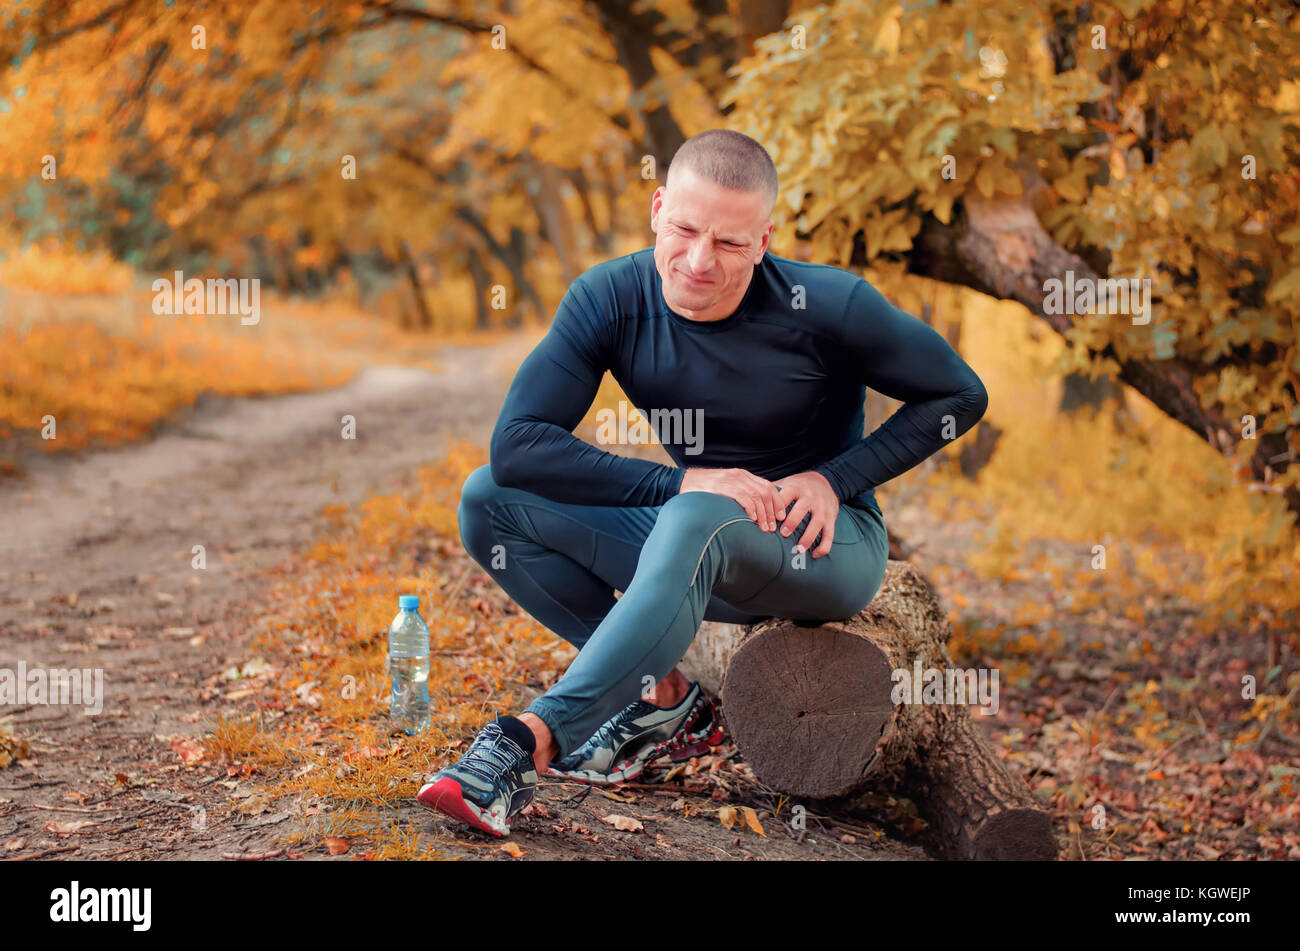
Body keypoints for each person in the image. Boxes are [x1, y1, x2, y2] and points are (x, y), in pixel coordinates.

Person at [417, 129, 989, 836]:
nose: (697, 260)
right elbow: (517, 447)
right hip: (686, 540)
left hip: (818, 549)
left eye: (728, 243)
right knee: (487, 500)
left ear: (764, 240)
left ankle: (524, 742)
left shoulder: (830, 305)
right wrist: (681, 480)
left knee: (695, 516)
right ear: (658, 207)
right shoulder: (609, 297)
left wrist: (835, 479)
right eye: (685, 229)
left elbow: (959, 395)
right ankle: (664, 695)